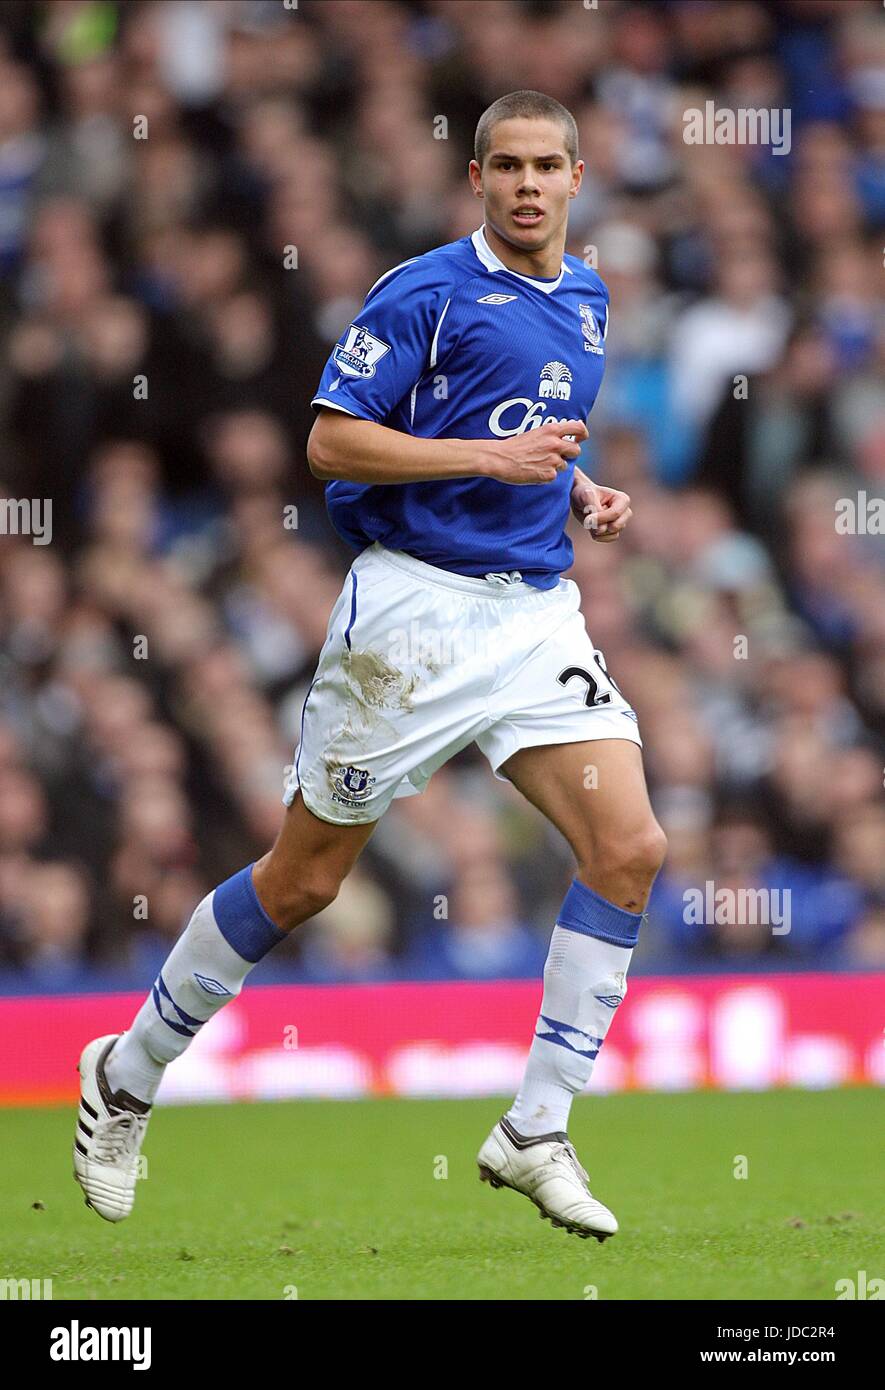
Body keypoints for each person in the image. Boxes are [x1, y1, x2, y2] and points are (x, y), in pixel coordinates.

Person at [73, 91, 667, 1240]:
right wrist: (483, 459)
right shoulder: (423, 291)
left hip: (535, 615)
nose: (530, 185)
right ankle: (129, 1070)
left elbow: (528, 432)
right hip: (411, 618)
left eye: (550, 166)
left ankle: (534, 1129)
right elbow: (330, 439)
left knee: (631, 846)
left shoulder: (589, 299)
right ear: (478, 180)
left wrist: (579, 490)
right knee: (303, 882)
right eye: (508, 167)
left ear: (580, 179)